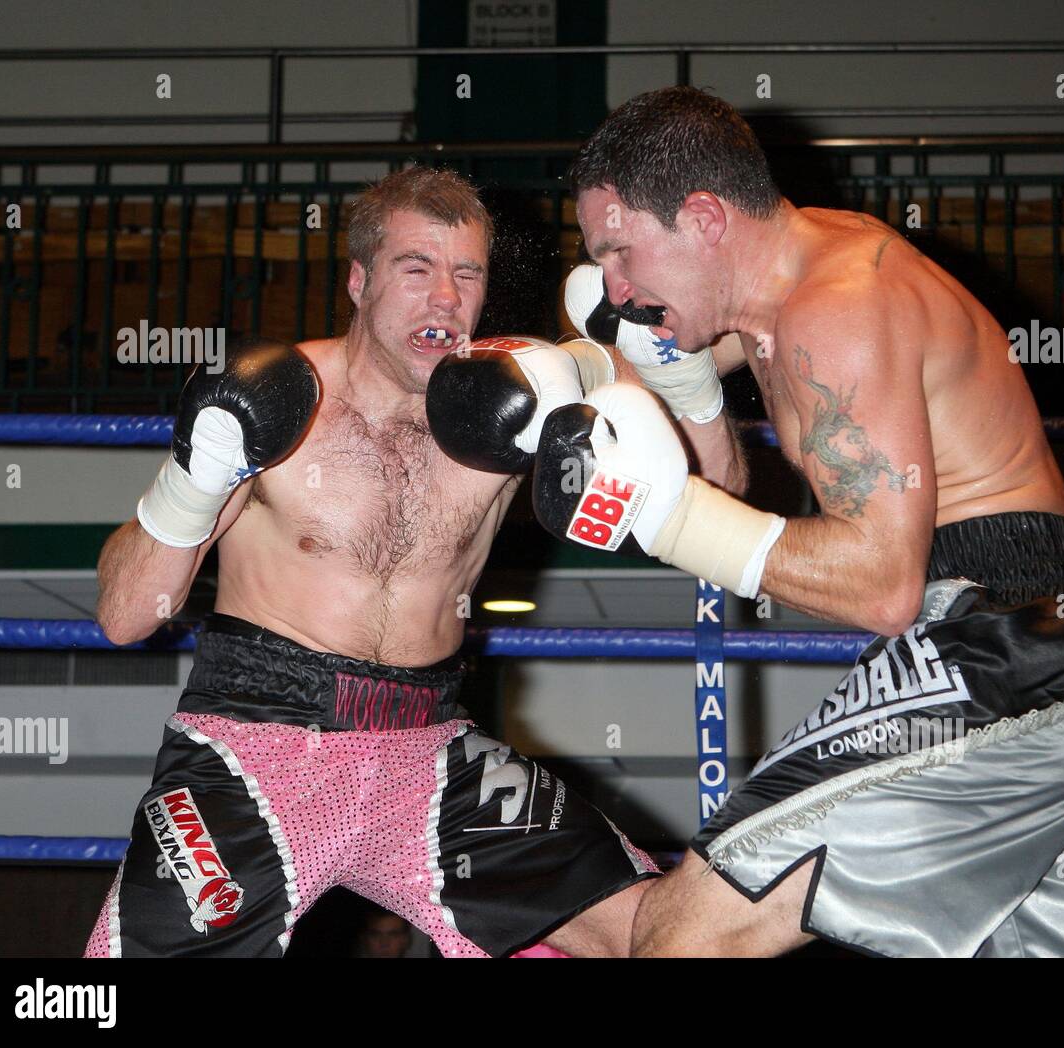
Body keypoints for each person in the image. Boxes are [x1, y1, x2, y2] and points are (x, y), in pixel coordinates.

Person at [532, 85, 1064, 957]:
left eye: (620, 251)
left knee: (682, 935)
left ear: (704, 217)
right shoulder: (768, 309)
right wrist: (674, 382)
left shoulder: (839, 304)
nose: (617, 286)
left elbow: (881, 585)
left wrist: (667, 517)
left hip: (1006, 646)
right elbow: (724, 492)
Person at [84, 166, 655, 958]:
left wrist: (594, 365)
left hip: (431, 743)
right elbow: (124, 615)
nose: (446, 301)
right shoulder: (280, 401)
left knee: (654, 929)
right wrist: (192, 481)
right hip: (256, 738)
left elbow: (717, 471)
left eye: (467, 274)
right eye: (415, 270)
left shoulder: (509, 405)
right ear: (359, 281)